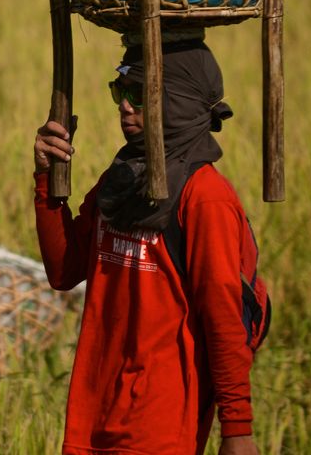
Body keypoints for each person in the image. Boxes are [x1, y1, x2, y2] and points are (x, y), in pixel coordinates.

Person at [33, 38, 264, 455]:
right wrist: (47, 182)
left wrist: (238, 428)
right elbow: (64, 270)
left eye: (139, 95)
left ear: (176, 102)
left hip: (159, 429)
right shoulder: (120, 179)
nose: (124, 107)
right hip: (93, 417)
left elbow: (223, 319)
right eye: (120, 92)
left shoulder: (205, 198)